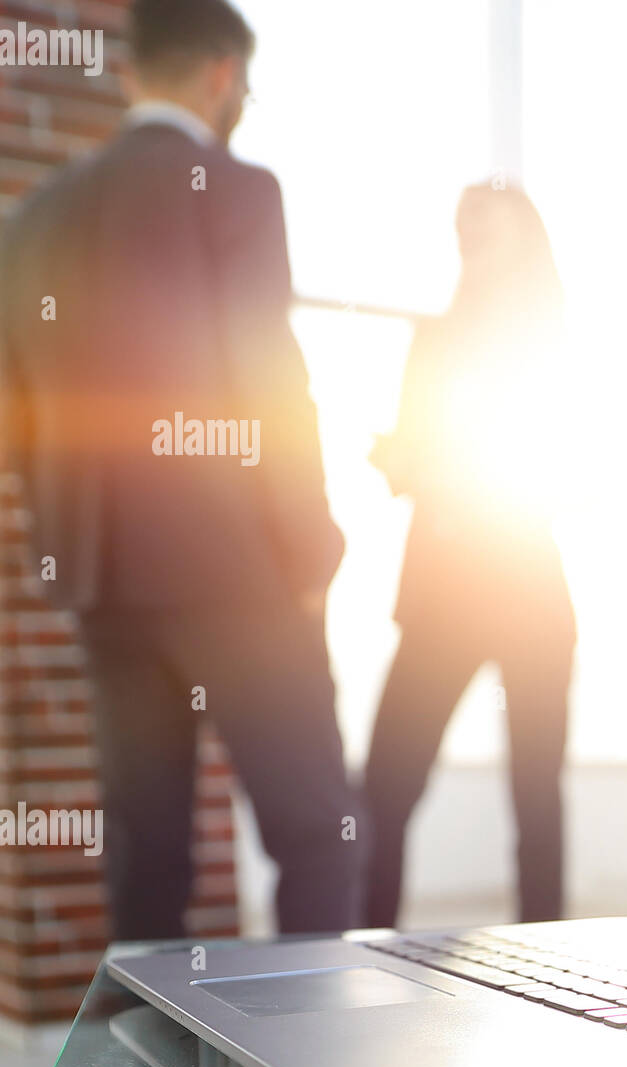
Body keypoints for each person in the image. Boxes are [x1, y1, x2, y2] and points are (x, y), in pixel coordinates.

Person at [0, 0, 366, 939]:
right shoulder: (237, 189)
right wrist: (313, 548)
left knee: (147, 858)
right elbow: (268, 380)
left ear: (131, 75)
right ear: (221, 74)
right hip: (237, 567)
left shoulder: (36, 218)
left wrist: (66, 556)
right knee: (316, 835)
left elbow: (21, 418)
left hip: (104, 582)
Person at [364, 182, 576, 927]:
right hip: (441, 594)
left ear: (525, 235)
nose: (471, 240)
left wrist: (435, 466)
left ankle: (553, 959)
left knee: (536, 795)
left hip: (528, 593)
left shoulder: (553, 339)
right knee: (384, 789)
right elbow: (415, 450)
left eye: (486, 225)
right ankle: (363, 948)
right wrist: (405, 462)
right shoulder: (435, 338)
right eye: (464, 227)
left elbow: (553, 469)